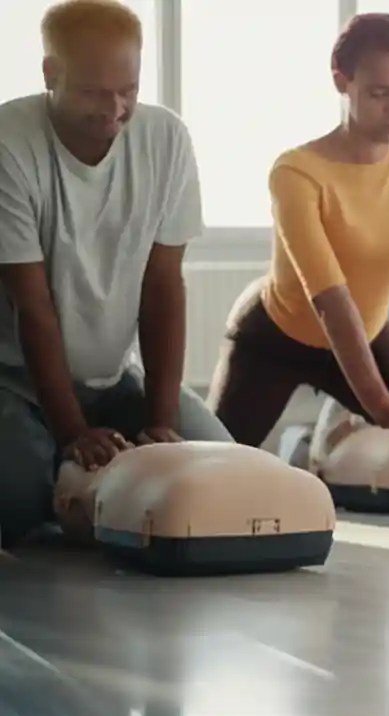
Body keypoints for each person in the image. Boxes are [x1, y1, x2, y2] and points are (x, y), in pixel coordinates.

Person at [0, 0, 232, 548]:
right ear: (51, 74)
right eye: (94, 92)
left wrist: (160, 424)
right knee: (20, 502)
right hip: (14, 380)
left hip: (112, 379)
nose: (115, 108)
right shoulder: (10, 141)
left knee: (216, 475)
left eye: (128, 89)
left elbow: (163, 288)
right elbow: (32, 308)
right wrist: (73, 433)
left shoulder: (166, 140)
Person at [205, 13, 389, 448]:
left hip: (366, 334)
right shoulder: (296, 172)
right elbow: (331, 299)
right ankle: (316, 436)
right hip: (276, 338)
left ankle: (328, 434)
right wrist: (384, 409)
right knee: (216, 465)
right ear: (341, 81)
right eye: (379, 93)